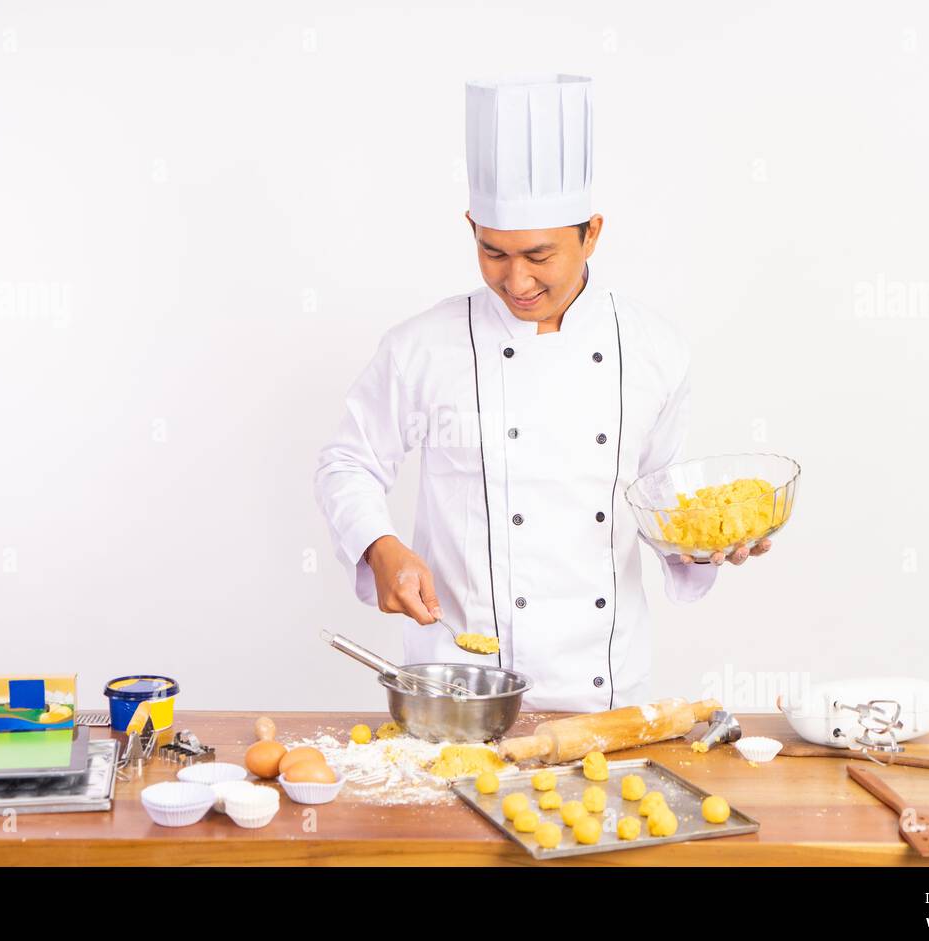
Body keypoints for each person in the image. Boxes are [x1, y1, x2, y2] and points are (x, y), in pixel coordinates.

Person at [315, 74, 767, 711]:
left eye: (538, 254)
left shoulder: (655, 350)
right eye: (492, 251)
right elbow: (348, 463)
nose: (516, 279)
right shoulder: (423, 345)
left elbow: (659, 502)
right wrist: (379, 546)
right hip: (461, 688)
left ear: (592, 233)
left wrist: (708, 545)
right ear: (471, 226)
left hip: (605, 697)